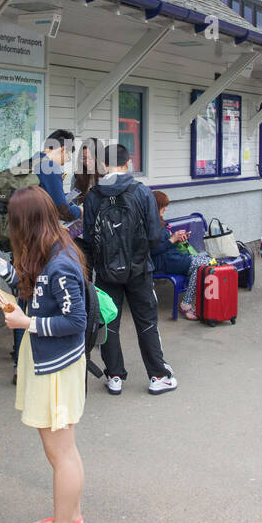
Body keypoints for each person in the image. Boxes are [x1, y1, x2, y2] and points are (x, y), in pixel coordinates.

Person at [0, 185, 88, 523]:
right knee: (62, 450)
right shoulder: (52, 251)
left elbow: (75, 320)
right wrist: (10, 274)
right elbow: (40, 294)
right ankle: (70, 515)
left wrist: (27, 324)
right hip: (53, 363)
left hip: (56, 368)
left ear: (24, 223)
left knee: (61, 453)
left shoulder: (59, 263)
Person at [82, 143, 176, 396]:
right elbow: (156, 236)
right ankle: (157, 375)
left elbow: (89, 238)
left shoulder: (93, 196)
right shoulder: (142, 192)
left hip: (105, 271)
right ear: (128, 164)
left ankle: (114, 375)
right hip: (139, 269)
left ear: (103, 166)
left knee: (109, 320)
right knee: (146, 321)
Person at [4, 130, 81, 364]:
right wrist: (79, 211)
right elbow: (61, 207)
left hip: (18, 236)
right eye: (68, 155)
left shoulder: (28, 162)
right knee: (33, 296)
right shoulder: (50, 167)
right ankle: (25, 358)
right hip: (40, 243)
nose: (66, 160)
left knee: (23, 292)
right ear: (63, 149)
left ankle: (18, 354)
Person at [149, 190, 213, 320]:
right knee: (206, 264)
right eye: (163, 205)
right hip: (164, 262)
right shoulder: (150, 225)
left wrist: (177, 238)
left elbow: (167, 243)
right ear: (156, 206)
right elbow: (151, 251)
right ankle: (187, 304)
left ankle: (187, 303)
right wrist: (172, 240)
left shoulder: (159, 221)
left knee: (207, 263)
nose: (165, 209)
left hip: (173, 258)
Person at [72, 136, 104, 203]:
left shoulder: (106, 176)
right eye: (84, 158)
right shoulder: (77, 176)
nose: (86, 162)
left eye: (90, 158)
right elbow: (73, 201)